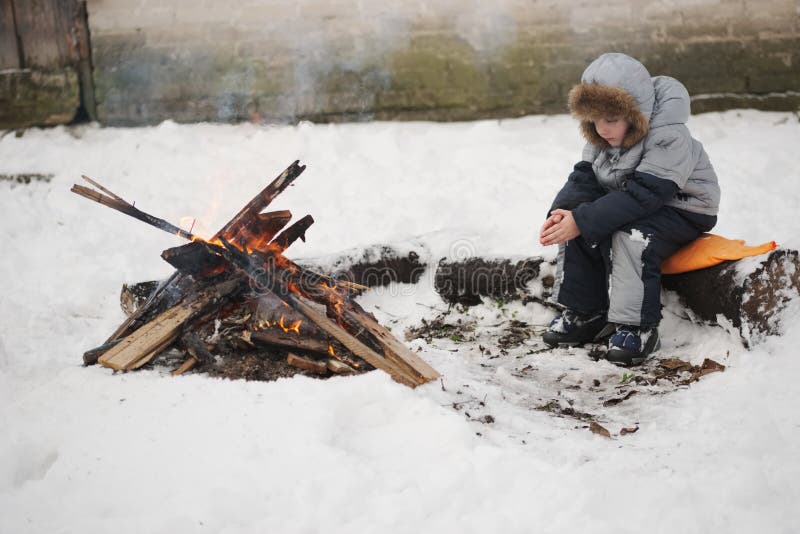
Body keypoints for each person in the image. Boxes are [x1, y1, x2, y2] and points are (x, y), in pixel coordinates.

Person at [539, 52, 720, 366]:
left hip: (683, 206)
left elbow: (646, 195)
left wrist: (583, 219)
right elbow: (584, 179)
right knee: (579, 225)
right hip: (634, 196)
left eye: (611, 119)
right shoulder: (601, 136)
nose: (602, 128)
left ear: (636, 113)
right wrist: (564, 212)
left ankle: (638, 328)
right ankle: (587, 313)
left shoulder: (668, 136)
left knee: (630, 236)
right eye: (594, 119)